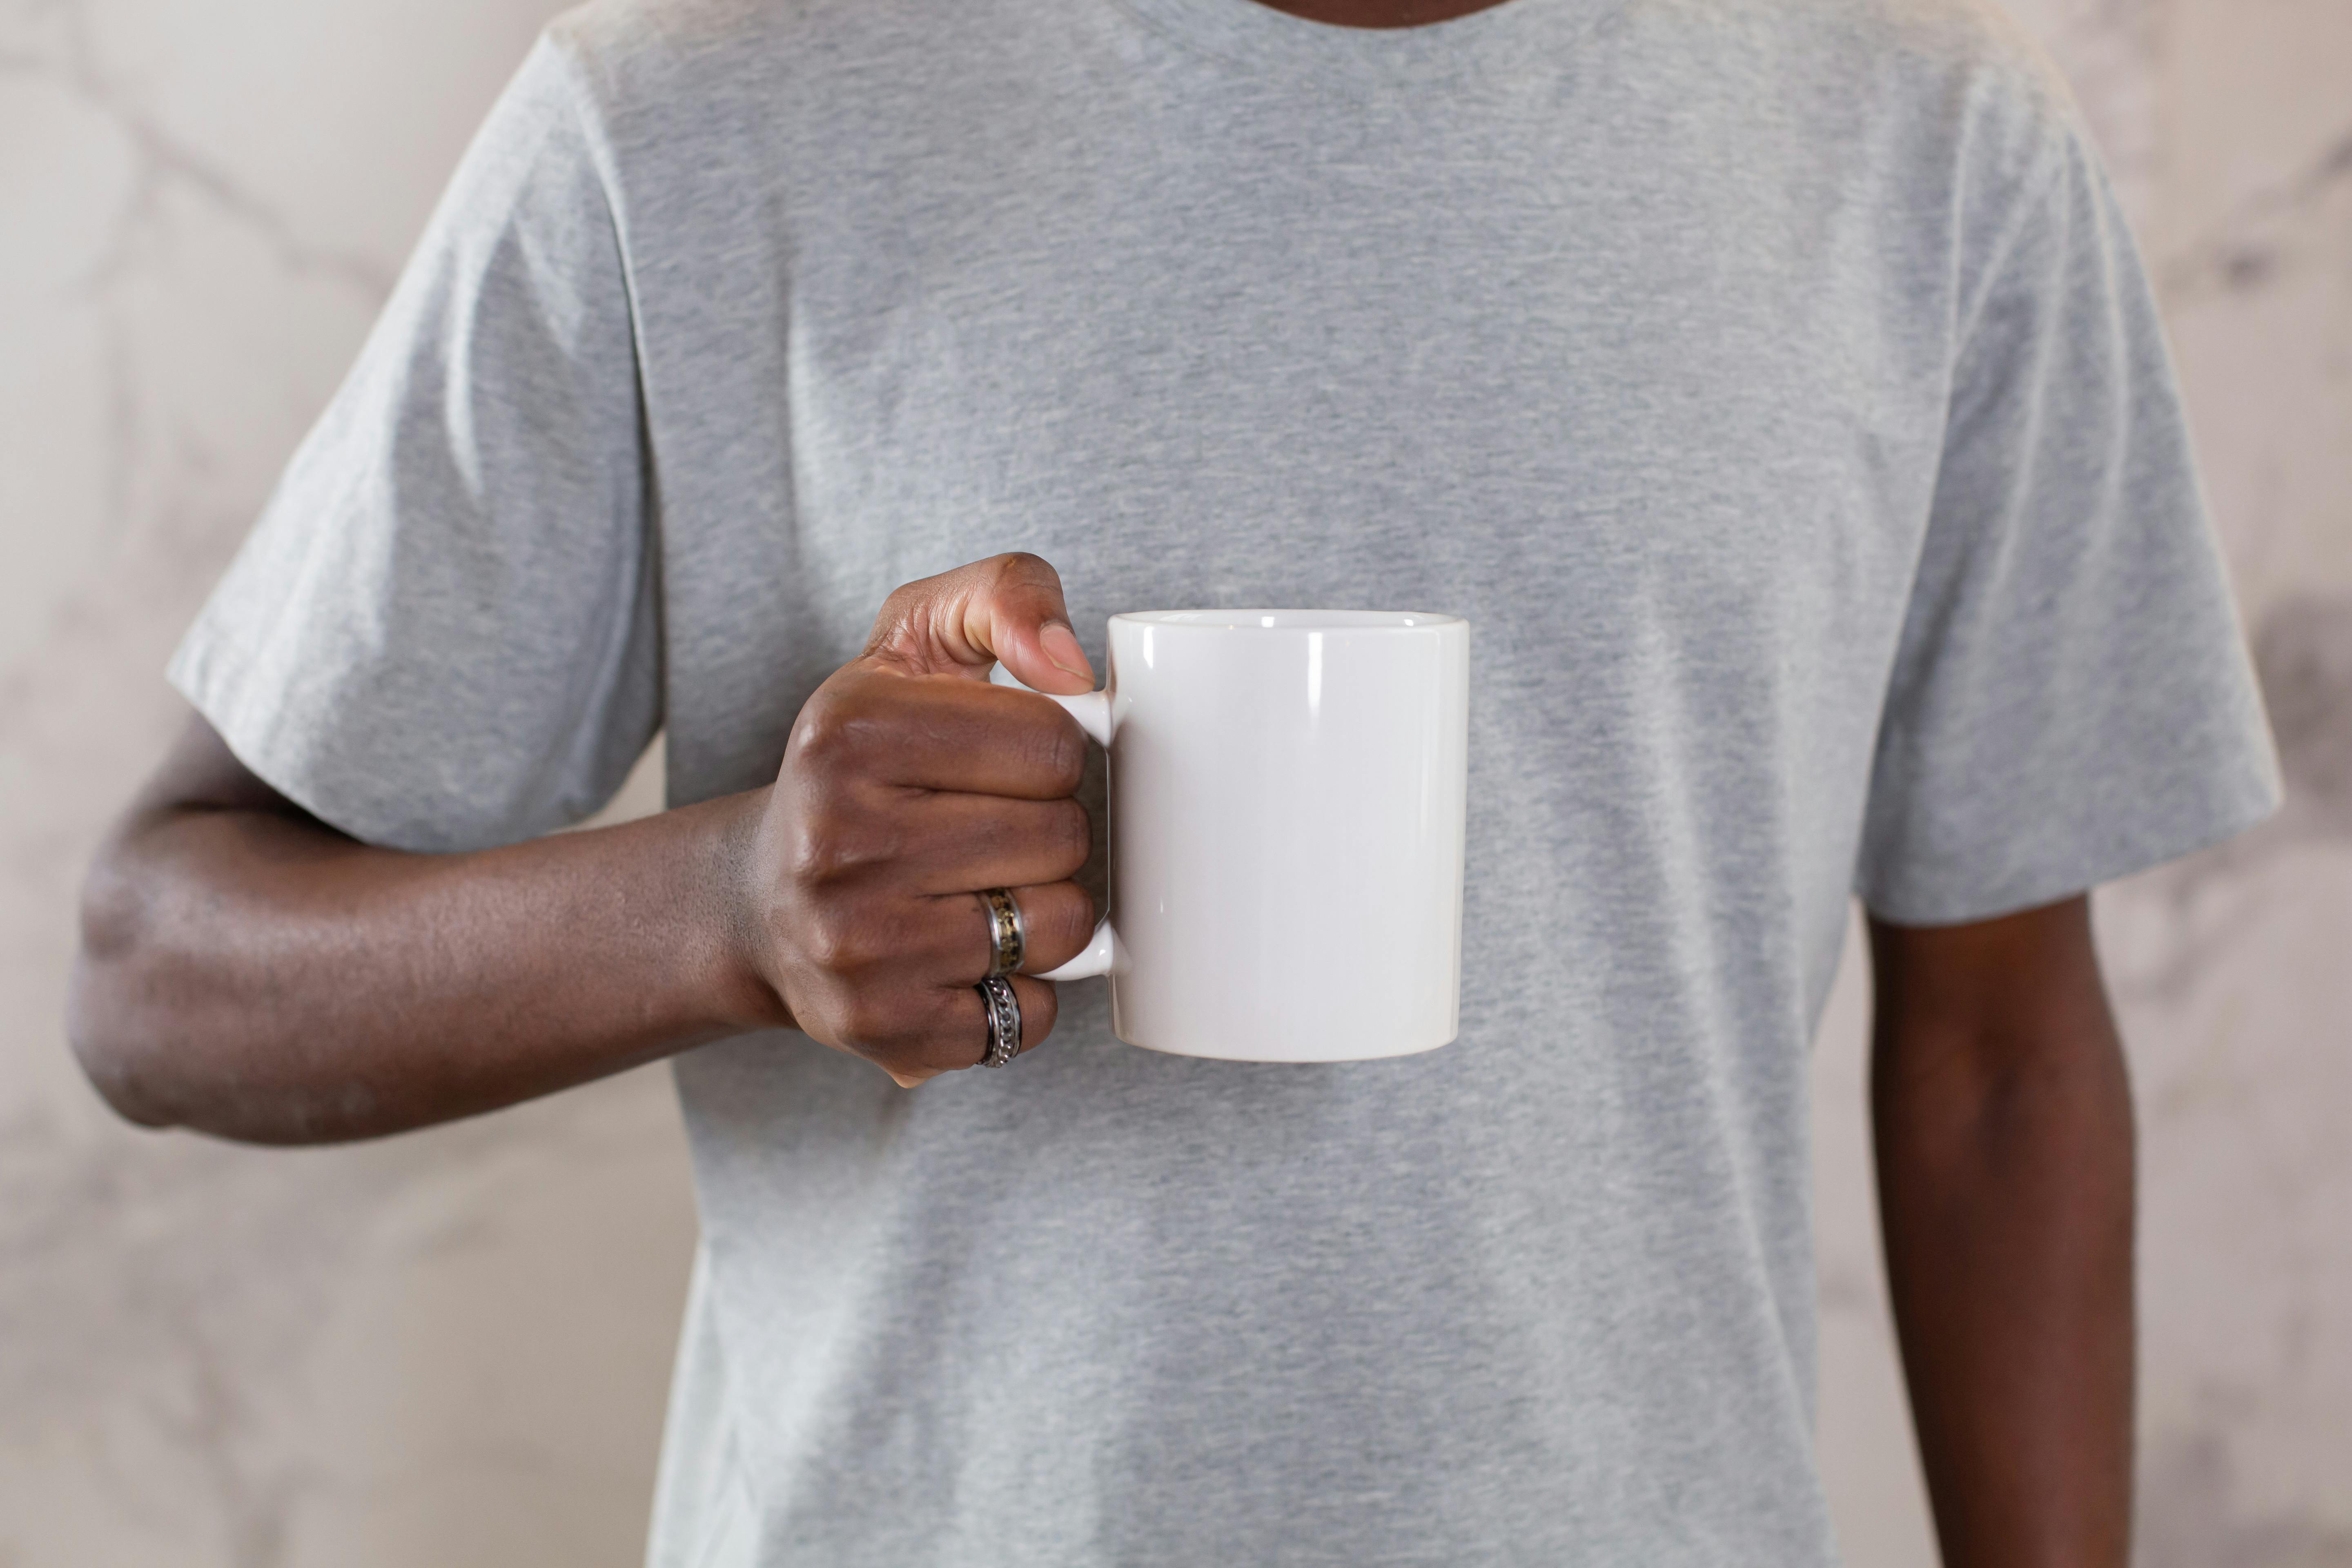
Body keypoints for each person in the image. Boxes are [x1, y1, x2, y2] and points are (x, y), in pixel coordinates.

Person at [67, 0, 2282, 1560]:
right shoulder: (697, 110)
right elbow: (158, 967)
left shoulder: (1937, 143)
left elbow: (1999, 1053)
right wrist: (731, 904)